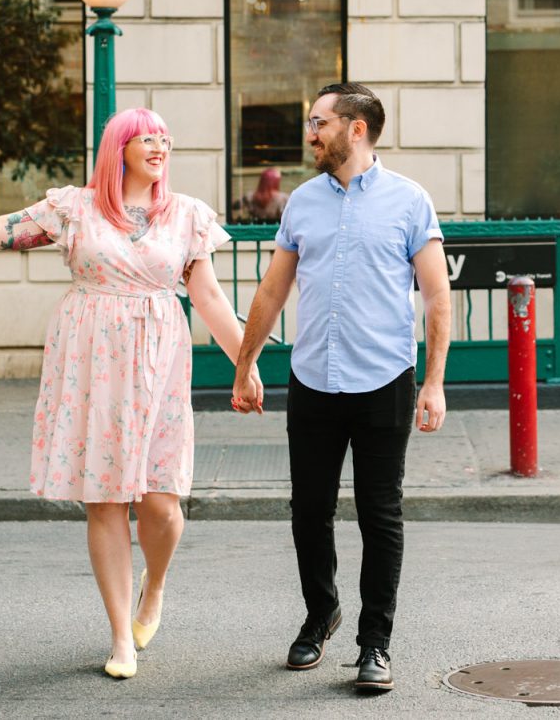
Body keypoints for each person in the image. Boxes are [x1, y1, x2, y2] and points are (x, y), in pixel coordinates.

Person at [0, 108, 246, 680]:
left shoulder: (187, 215)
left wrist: (245, 364)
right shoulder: (74, 208)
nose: (159, 146)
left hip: (159, 363)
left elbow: (209, 298)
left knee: (162, 504)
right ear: (118, 148)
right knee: (105, 498)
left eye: (165, 138)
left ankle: (155, 586)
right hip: (92, 363)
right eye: (147, 138)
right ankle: (121, 636)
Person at [230, 83, 451, 694]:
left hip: (384, 380)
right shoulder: (302, 202)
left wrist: (434, 382)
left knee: (380, 515)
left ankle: (374, 642)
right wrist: (246, 363)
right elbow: (273, 290)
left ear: (356, 129)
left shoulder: (410, 201)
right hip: (313, 380)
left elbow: (436, 295)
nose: (310, 134)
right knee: (309, 511)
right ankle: (320, 612)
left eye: (319, 122)